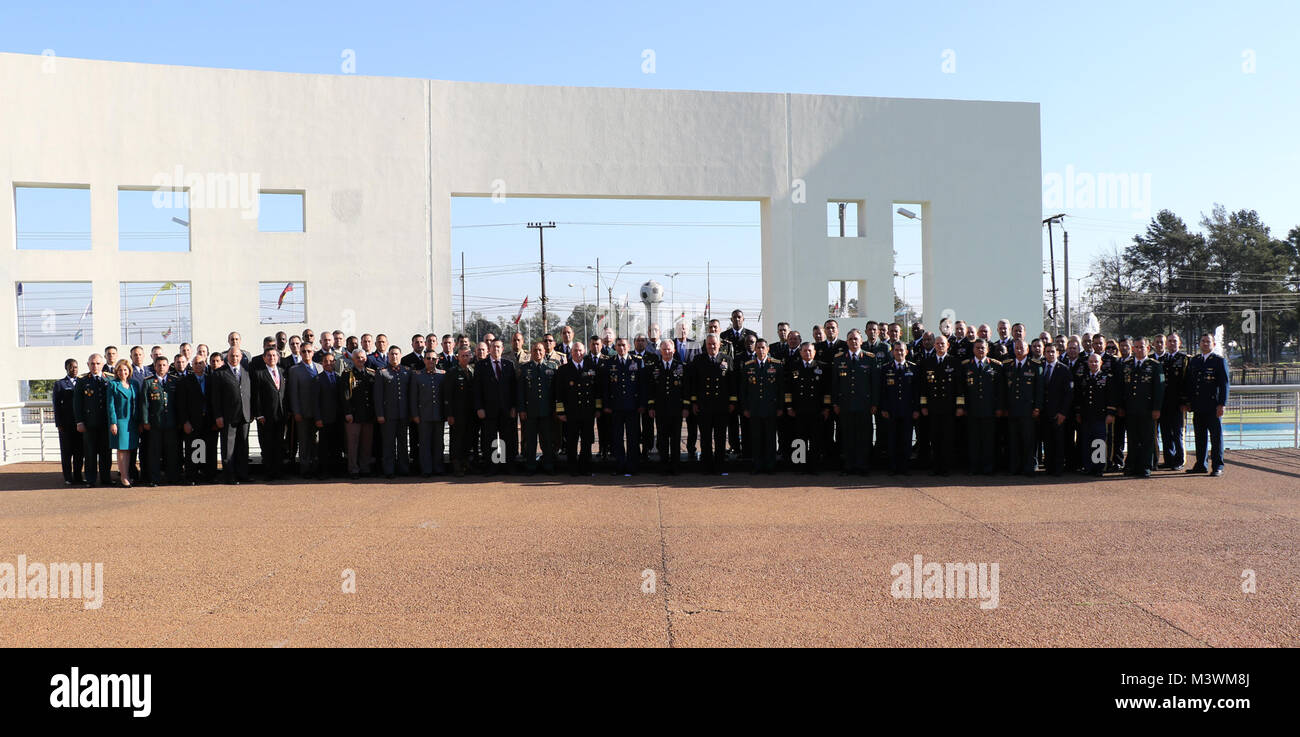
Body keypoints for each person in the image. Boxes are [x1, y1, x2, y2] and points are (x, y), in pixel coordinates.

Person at [831, 329, 877, 476]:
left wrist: (874, 403)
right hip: (845, 405)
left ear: (861, 341)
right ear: (847, 341)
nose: (853, 342)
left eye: (856, 339)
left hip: (864, 406)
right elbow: (835, 384)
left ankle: (863, 466)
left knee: (864, 437)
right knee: (847, 436)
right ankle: (849, 466)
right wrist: (835, 403)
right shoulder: (839, 359)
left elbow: (874, 384)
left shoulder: (870, 358)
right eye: (850, 339)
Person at [1118, 337, 1165, 478]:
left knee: (1147, 439)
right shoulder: (1126, 365)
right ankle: (1132, 466)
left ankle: (1145, 467)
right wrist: (1121, 406)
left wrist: (1157, 408)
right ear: (1133, 349)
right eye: (1136, 347)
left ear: (1148, 348)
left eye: (1141, 347)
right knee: (1132, 439)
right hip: (1130, 409)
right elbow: (1121, 389)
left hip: (1147, 409)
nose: (1139, 349)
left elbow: (1160, 389)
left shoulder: (1155, 365)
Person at [599, 337, 645, 476]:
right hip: (616, 407)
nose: (621, 348)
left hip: (632, 407)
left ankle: (632, 466)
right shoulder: (609, 363)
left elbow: (642, 385)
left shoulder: (637, 361)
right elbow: (605, 387)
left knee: (633, 438)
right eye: (618, 345)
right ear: (615, 347)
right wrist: (606, 404)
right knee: (617, 438)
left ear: (629, 346)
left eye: (624, 345)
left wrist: (642, 404)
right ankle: (619, 465)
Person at [690, 334, 735, 475]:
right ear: (706, 345)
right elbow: (693, 383)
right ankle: (706, 467)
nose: (712, 346)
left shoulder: (727, 359)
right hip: (704, 405)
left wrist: (732, 401)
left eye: (714, 344)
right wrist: (694, 402)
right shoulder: (698, 360)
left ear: (719, 344)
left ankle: (720, 467)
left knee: (720, 438)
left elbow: (732, 383)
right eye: (709, 344)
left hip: (721, 406)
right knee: (705, 438)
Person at [738, 338, 784, 474]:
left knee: (770, 439)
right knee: (756, 439)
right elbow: (743, 390)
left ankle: (770, 466)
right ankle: (757, 465)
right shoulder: (748, 366)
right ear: (755, 350)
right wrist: (745, 408)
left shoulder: (776, 365)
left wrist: (780, 407)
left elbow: (781, 389)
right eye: (758, 348)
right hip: (754, 409)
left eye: (763, 347)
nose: (761, 350)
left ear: (768, 349)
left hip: (771, 409)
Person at [1186, 333, 1229, 476]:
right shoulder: (1195, 361)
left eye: (1208, 342)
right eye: (1203, 341)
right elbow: (1191, 384)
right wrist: (1189, 402)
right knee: (1200, 437)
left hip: (1213, 406)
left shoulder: (1218, 361)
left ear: (1213, 344)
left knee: (1216, 437)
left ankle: (1217, 466)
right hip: (1198, 405)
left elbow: (1224, 385)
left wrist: (1222, 404)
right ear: (1199, 343)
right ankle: (1201, 464)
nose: (1205, 344)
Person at [556, 340, 599, 476]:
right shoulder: (563, 370)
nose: (578, 353)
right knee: (571, 442)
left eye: (580, 350)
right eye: (575, 350)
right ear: (570, 352)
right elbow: (559, 393)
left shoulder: (591, 367)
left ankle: (585, 467)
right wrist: (560, 411)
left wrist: (597, 408)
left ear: (584, 352)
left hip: (587, 412)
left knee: (586, 441)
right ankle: (572, 468)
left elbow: (597, 391)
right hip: (571, 413)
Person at [785, 342, 829, 474]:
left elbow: (827, 390)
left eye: (810, 351)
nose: (807, 353)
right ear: (800, 352)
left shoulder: (822, 367)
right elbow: (788, 389)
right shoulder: (793, 367)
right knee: (799, 440)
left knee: (816, 440)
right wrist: (789, 407)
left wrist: (826, 408)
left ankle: (814, 466)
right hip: (799, 410)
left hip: (816, 410)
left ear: (814, 352)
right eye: (804, 351)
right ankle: (800, 467)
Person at [961, 339, 1003, 475]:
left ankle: (988, 468)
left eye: (982, 348)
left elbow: (999, 390)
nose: (980, 350)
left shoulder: (996, 366)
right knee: (973, 440)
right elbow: (962, 389)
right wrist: (963, 406)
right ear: (973, 349)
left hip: (989, 410)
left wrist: (998, 408)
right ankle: (974, 467)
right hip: (972, 410)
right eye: (977, 348)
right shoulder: (966, 365)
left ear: (987, 350)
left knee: (988, 441)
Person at [920, 334, 960, 476]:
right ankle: (936, 467)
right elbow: (923, 386)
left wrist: (960, 406)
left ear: (947, 345)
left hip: (949, 408)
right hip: (933, 407)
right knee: (935, 438)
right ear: (934, 346)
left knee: (947, 438)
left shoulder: (954, 362)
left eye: (942, 343)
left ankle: (946, 468)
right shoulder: (927, 363)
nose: (940, 346)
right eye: (937, 343)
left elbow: (959, 387)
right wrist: (923, 405)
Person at [647, 339, 689, 474]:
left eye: (669, 349)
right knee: (662, 439)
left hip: (676, 409)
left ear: (674, 350)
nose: (666, 351)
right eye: (664, 349)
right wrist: (651, 407)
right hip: (660, 409)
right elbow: (651, 389)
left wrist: (685, 407)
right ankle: (664, 466)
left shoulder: (681, 366)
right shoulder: (655, 367)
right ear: (660, 351)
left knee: (676, 439)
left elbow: (686, 389)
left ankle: (675, 467)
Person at [475, 339, 517, 474]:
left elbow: (513, 388)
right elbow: (477, 389)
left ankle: (506, 465)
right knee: (490, 440)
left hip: (506, 409)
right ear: (489, 349)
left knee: (506, 439)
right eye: (493, 347)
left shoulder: (509, 365)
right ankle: (492, 466)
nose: (496, 349)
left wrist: (514, 407)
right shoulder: (481, 366)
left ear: (503, 349)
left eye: (498, 347)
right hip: (488, 410)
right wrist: (479, 407)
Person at [878, 341, 920, 475]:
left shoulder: (913, 368)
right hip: (891, 411)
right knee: (892, 440)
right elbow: (882, 391)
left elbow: (916, 392)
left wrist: (916, 409)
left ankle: (905, 467)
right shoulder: (885, 368)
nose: (899, 352)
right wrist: (883, 408)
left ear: (906, 352)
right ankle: (893, 467)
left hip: (908, 411)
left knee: (906, 440)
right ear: (892, 352)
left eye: (901, 350)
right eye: (896, 350)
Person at [517, 341, 559, 475]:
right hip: (530, 412)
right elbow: (521, 392)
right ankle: (530, 466)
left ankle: (548, 465)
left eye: (540, 350)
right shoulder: (525, 369)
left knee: (547, 440)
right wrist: (522, 409)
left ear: (544, 352)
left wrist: (555, 409)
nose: (538, 353)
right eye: (535, 350)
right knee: (530, 441)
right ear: (531, 352)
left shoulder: (552, 367)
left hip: (546, 411)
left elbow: (555, 392)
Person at [1003, 338, 1043, 475]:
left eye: (1022, 348)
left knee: (1028, 441)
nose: (1019, 350)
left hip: (1028, 411)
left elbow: (1039, 389)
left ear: (1028, 350)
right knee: (1013, 441)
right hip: (1012, 410)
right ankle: (1014, 468)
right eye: (1017, 348)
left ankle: (1029, 468)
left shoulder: (1035, 365)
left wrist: (1037, 408)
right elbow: (1003, 389)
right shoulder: (1008, 365)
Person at [139, 355, 181, 486]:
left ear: (168, 367)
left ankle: (172, 477)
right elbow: (144, 404)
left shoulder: (175, 381)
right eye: (159, 365)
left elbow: (179, 404)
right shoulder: (148, 382)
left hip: (171, 423)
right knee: (154, 453)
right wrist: (145, 421)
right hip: (155, 423)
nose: (161, 367)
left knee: (172, 452)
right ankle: (154, 478)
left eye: (164, 365)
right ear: (155, 366)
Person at [73, 353, 113, 487]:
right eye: (92, 363)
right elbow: (77, 403)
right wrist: (79, 422)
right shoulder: (82, 380)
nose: (95, 366)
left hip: (106, 423)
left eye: (97, 363)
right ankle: (90, 479)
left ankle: (106, 478)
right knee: (89, 453)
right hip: (89, 423)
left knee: (106, 453)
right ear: (88, 365)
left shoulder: (110, 379)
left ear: (102, 364)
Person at [1073, 352, 1116, 476]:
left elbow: (1111, 397)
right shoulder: (1084, 378)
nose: (1093, 364)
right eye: (1091, 361)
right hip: (1087, 416)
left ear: (1101, 363)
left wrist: (1110, 413)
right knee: (1087, 442)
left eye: (1096, 361)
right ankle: (1088, 467)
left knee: (1099, 442)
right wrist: (1078, 412)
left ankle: (1099, 468)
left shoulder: (1107, 377)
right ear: (1088, 363)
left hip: (1101, 416)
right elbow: (1079, 397)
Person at [251, 346, 288, 481]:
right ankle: (269, 472)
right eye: (269, 356)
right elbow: (256, 396)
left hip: (281, 414)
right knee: (267, 444)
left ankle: (278, 471)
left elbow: (284, 394)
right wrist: (259, 414)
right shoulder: (259, 373)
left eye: (274, 355)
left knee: (279, 444)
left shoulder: (282, 372)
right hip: (265, 416)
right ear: (264, 358)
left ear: (278, 358)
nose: (272, 358)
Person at [374, 346, 412, 479]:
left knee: (403, 443)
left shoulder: (407, 372)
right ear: (388, 356)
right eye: (392, 354)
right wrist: (380, 414)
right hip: (388, 415)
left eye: (396, 354)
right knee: (388, 443)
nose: (394, 357)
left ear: (400, 355)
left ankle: (403, 468)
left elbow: (410, 395)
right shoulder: (382, 372)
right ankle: (389, 469)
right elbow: (378, 396)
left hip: (403, 415)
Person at [178, 355, 216, 484]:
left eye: (201, 363)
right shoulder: (185, 381)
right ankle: (192, 476)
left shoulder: (211, 380)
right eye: (196, 363)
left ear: (205, 365)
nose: (198, 365)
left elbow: (216, 402)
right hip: (192, 422)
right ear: (192, 365)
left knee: (209, 449)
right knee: (194, 449)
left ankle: (209, 476)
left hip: (209, 421)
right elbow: (181, 404)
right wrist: (185, 422)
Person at [1038, 342, 1074, 476]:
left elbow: (1068, 394)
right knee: (1047, 441)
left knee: (1059, 442)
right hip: (1044, 412)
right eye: (1047, 352)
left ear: (1058, 353)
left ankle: (1058, 468)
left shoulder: (1064, 369)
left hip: (1058, 413)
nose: (1050, 354)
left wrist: (1063, 413)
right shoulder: (1040, 367)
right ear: (1044, 353)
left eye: (1053, 352)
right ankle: (1048, 467)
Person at [409, 348, 447, 476]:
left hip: (438, 415)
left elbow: (445, 397)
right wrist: (415, 414)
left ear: (437, 360)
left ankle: (438, 468)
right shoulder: (417, 375)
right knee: (424, 444)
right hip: (423, 416)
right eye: (428, 358)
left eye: (433, 358)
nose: (431, 361)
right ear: (424, 360)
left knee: (438, 444)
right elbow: (413, 397)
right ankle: (426, 469)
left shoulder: (442, 375)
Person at [340, 349, 377, 479]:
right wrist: (348, 412)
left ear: (365, 359)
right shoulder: (347, 374)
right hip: (354, 415)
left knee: (366, 444)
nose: (360, 359)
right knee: (353, 444)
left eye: (362, 357)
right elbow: (344, 396)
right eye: (357, 358)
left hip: (368, 415)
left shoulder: (371, 374)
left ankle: (365, 467)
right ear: (353, 359)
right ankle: (353, 469)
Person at [106, 359, 140, 487]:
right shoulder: (113, 384)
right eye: (120, 370)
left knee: (129, 449)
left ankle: (128, 474)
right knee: (122, 449)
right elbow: (110, 405)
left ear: (129, 371)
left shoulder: (134, 384)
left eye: (125, 369)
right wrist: (113, 422)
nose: (122, 372)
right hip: (120, 421)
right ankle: (124, 477)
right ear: (116, 371)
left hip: (132, 421)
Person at [288, 343, 321, 477]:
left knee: (317, 441)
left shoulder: (319, 367)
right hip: (303, 412)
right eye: (303, 352)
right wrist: (296, 411)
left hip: (318, 412)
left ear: (313, 352)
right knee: (304, 441)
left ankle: (316, 467)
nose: (306, 354)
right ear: (300, 353)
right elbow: (293, 393)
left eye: (309, 351)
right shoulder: (294, 370)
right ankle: (305, 468)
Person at [443, 348, 477, 477]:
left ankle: (465, 463)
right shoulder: (452, 372)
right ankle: (456, 464)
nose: (465, 358)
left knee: (468, 438)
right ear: (458, 357)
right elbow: (447, 395)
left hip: (470, 413)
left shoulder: (472, 371)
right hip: (457, 413)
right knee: (457, 439)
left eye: (467, 355)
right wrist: (449, 414)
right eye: (462, 356)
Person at [1159, 333, 1189, 470]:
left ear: (1179, 343)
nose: (1171, 343)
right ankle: (1168, 459)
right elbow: (1160, 381)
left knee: (1178, 433)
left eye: (1174, 341)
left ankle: (1179, 460)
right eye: (1169, 341)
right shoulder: (1162, 359)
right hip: (1164, 403)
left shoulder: (1184, 359)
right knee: (1165, 433)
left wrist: (1185, 401)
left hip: (1178, 403)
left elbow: (1188, 382)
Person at [54, 358, 84, 486]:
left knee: (79, 452)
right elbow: (56, 405)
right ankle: (67, 477)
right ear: (66, 368)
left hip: (80, 423)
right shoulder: (60, 384)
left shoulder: (82, 382)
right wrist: (58, 424)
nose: (74, 369)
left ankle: (78, 476)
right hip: (66, 424)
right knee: (67, 452)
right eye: (71, 367)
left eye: (76, 367)